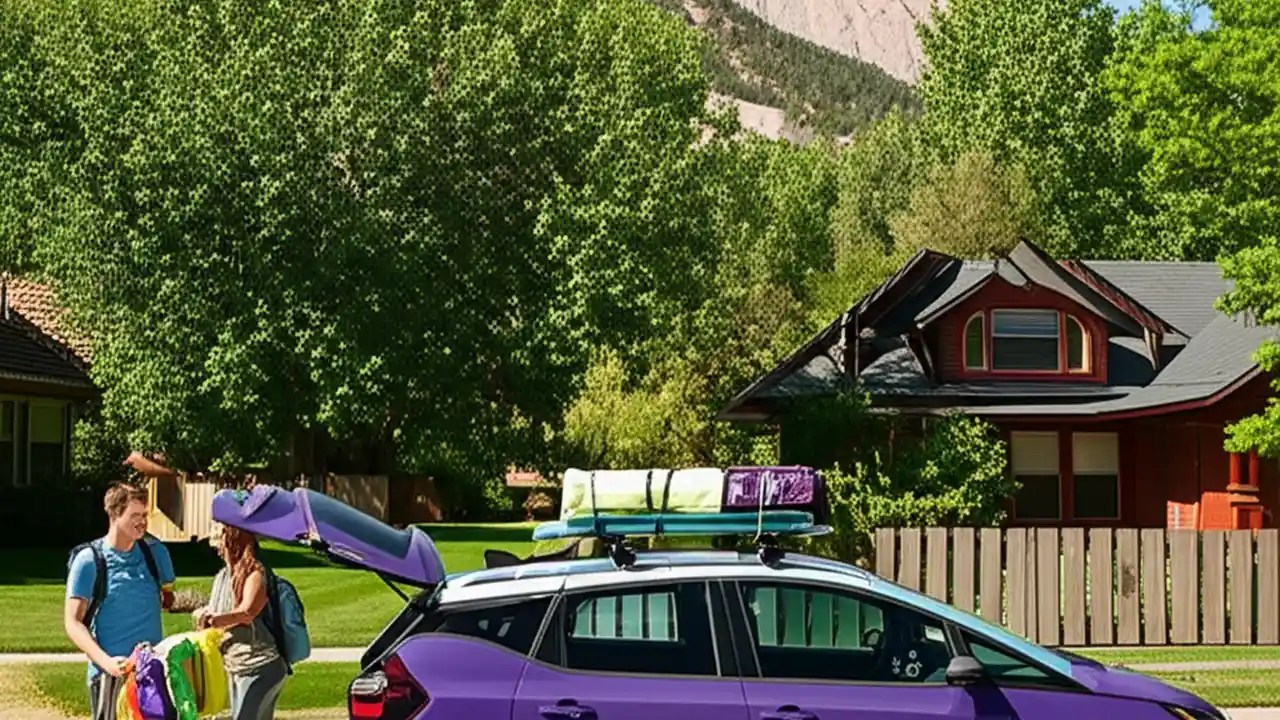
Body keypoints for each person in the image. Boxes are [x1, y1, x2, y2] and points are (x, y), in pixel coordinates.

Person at [65, 482, 177, 720]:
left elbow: (168, 600)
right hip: (110, 677)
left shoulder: (156, 554)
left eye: (145, 515)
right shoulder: (89, 561)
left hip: (151, 676)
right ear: (115, 515)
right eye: (135, 515)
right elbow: (73, 623)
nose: (143, 522)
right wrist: (106, 662)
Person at [194, 525, 289, 720]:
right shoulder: (222, 576)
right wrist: (204, 616)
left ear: (234, 543)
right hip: (237, 666)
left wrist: (215, 620)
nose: (219, 549)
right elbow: (218, 610)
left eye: (221, 543)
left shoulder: (255, 572)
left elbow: (247, 611)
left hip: (261, 666)